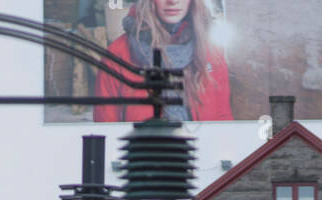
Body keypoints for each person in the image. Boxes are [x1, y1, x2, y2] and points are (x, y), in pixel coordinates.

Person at [94, 0, 233, 124]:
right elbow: (106, 129)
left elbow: (223, 120)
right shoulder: (118, 55)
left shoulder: (211, 50)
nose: (172, 1)